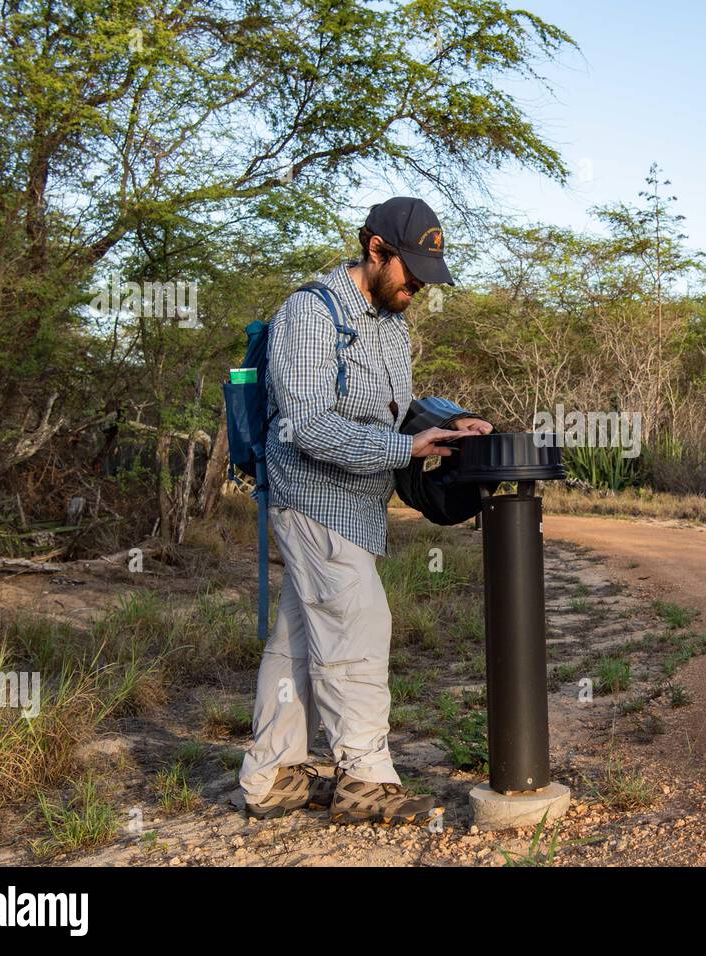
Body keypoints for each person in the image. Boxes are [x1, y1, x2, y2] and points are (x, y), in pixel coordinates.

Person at [238, 197, 492, 821]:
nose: (419, 290)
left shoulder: (392, 324)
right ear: (375, 250)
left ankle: (272, 777)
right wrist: (405, 447)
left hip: (359, 504)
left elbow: (394, 409)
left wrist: (446, 421)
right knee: (358, 626)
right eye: (412, 275)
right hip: (313, 497)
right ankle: (364, 780)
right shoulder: (310, 314)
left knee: (301, 638)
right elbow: (305, 426)